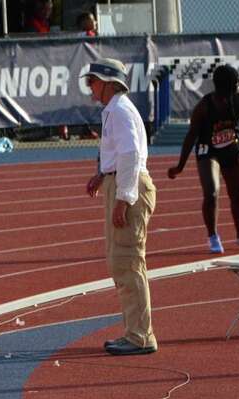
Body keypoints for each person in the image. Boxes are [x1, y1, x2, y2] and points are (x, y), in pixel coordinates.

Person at [84, 59, 158, 356]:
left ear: (108, 82)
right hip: (120, 183)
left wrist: (124, 198)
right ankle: (135, 332)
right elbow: (120, 153)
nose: (89, 86)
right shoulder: (114, 110)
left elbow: (131, 154)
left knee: (128, 261)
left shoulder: (120, 110)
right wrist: (102, 174)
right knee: (120, 261)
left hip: (130, 186)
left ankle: (141, 336)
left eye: (92, 81)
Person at [167, 64, 239, 255]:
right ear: (227, 85)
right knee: (211, 193)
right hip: (208, 151)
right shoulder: (204, 106)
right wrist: (180, 166)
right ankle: (213, 236)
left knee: (238, 193)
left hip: (232, 147)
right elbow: (191, 136)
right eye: (237, 82)